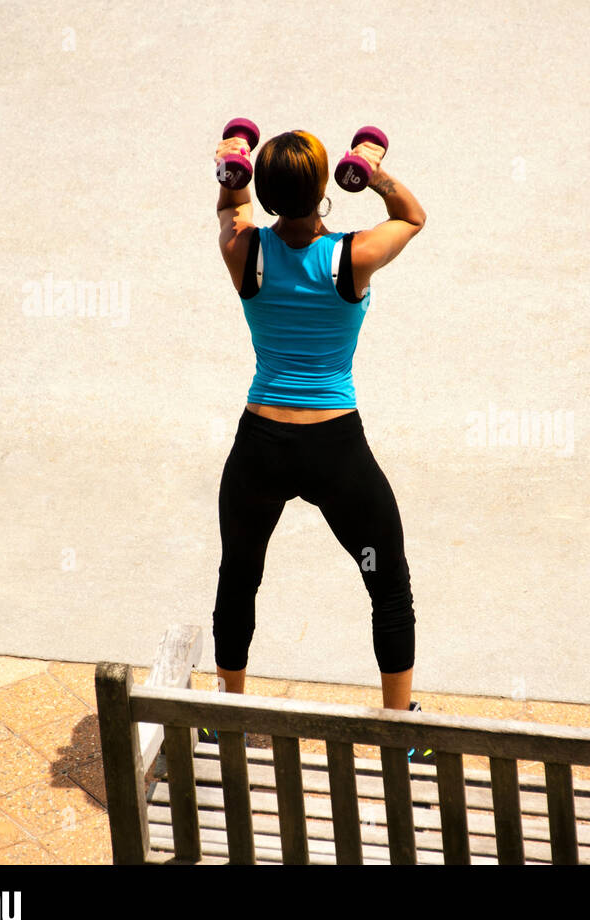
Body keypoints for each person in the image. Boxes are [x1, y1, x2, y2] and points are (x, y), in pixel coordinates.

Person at [209, 127, 433, 762]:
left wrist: (232, 160)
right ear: (325, 190)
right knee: (388, 584)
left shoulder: (243, 250)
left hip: (260, 447)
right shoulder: (351, 256)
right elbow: (412, 217)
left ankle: (227, 719)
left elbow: (231, 203)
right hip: (336, 451)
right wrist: (371, 168)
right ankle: (399, 730)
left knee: (239, 575)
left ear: (267, 192)